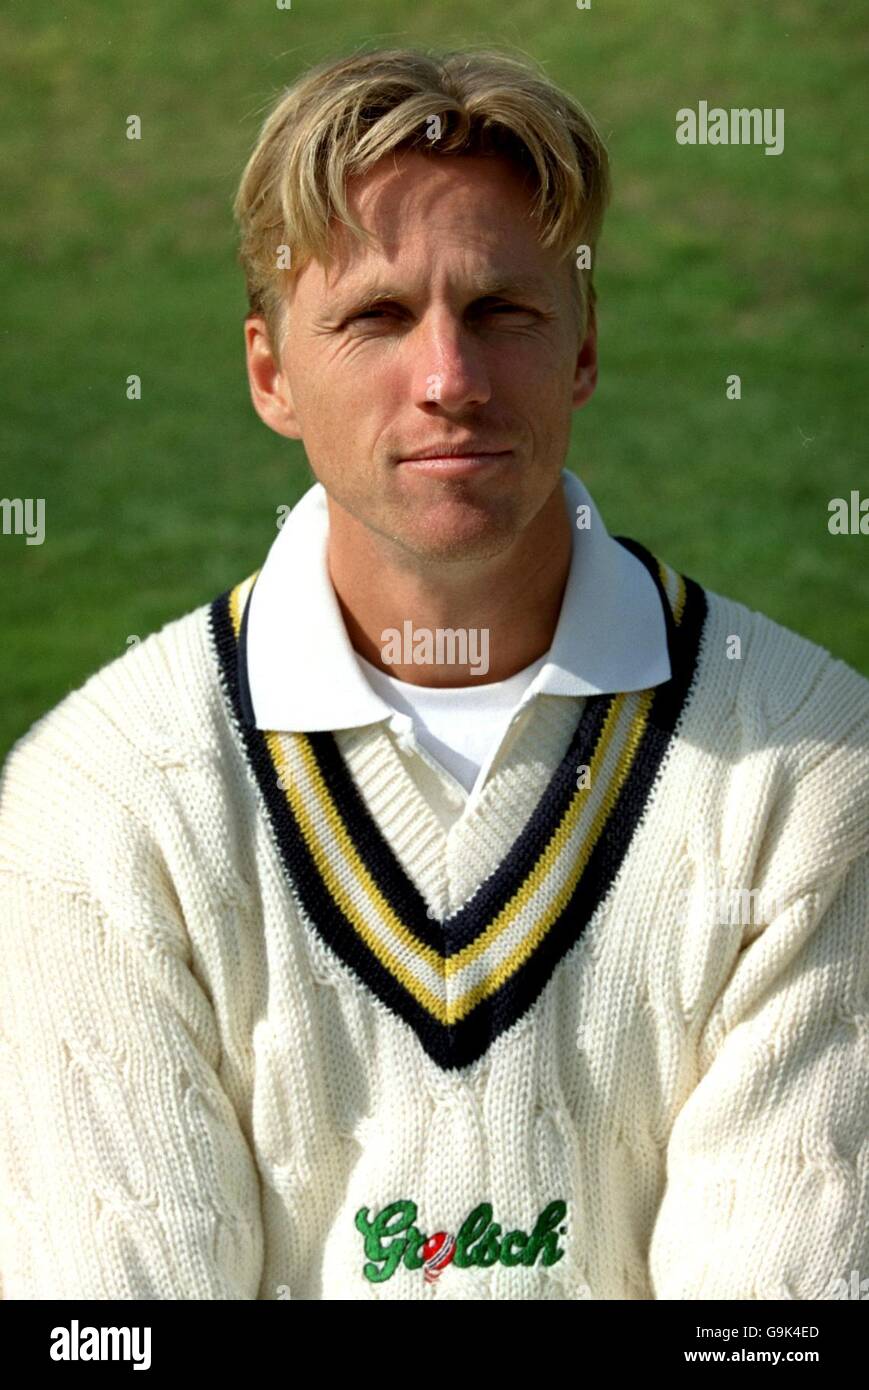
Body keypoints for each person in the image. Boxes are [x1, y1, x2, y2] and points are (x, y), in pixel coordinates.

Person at [0, 46, 866, 1302]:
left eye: (502, 313)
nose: (448, 380)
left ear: (580, 351)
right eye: (376, 316)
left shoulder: (816, 764)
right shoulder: (95, 800)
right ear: (268, 373)